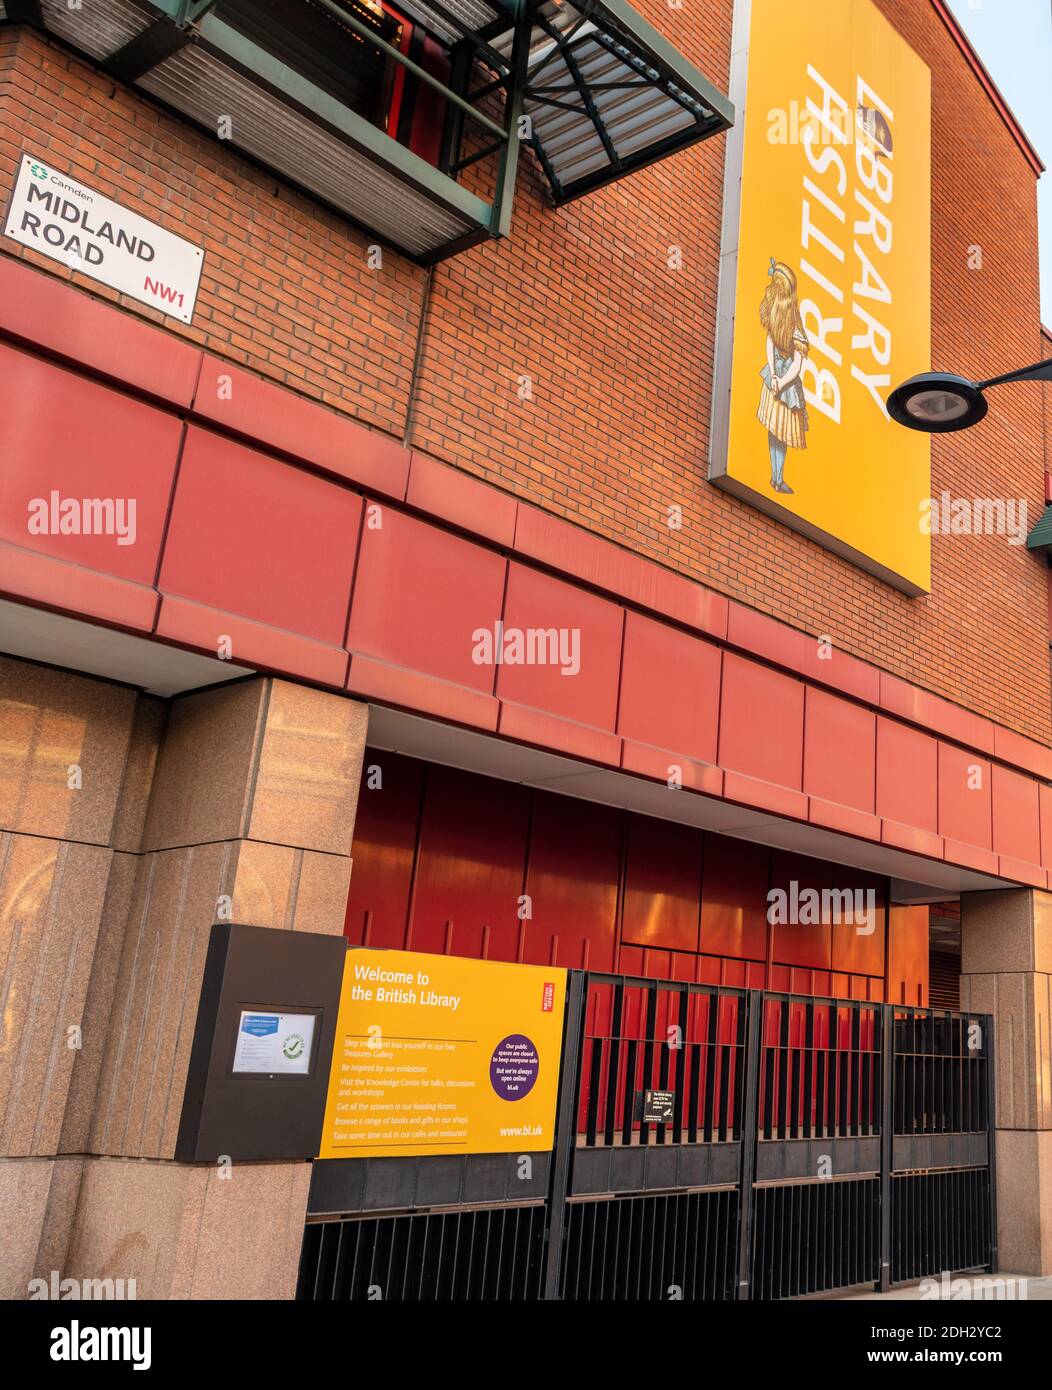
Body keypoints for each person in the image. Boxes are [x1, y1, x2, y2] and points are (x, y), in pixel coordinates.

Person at [757, 257, 810, 494]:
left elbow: (770, 344)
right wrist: (781, 381)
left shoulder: (778, 314)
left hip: (778, 378)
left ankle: (776, 478)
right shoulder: (792, 320)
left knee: (775, 432)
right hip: (785, 382)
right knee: (779, 432)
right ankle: (777, 479)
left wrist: (775, 378)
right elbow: (796, 365)